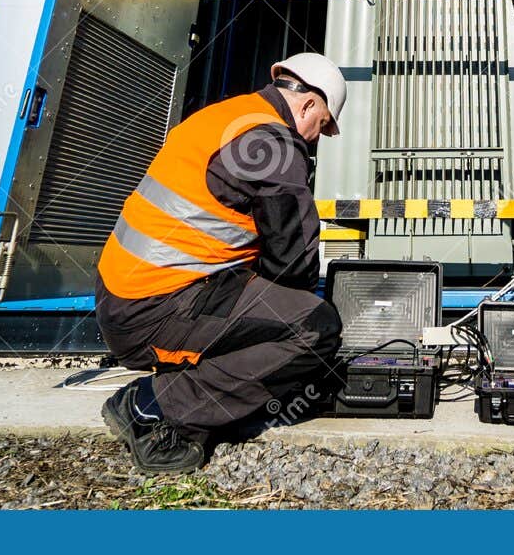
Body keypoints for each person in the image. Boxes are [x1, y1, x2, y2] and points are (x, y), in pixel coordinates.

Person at [95, 53, 347, 472]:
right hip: (156, 310)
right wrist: (295, 333)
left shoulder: (225, 115)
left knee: (273, 315)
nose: (316, 138)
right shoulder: (275, 143)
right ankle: (153, 408)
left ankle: (179, 388)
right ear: (306, 105)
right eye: (320, 125)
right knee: (315, 327)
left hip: (122, 297)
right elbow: (294, 260)